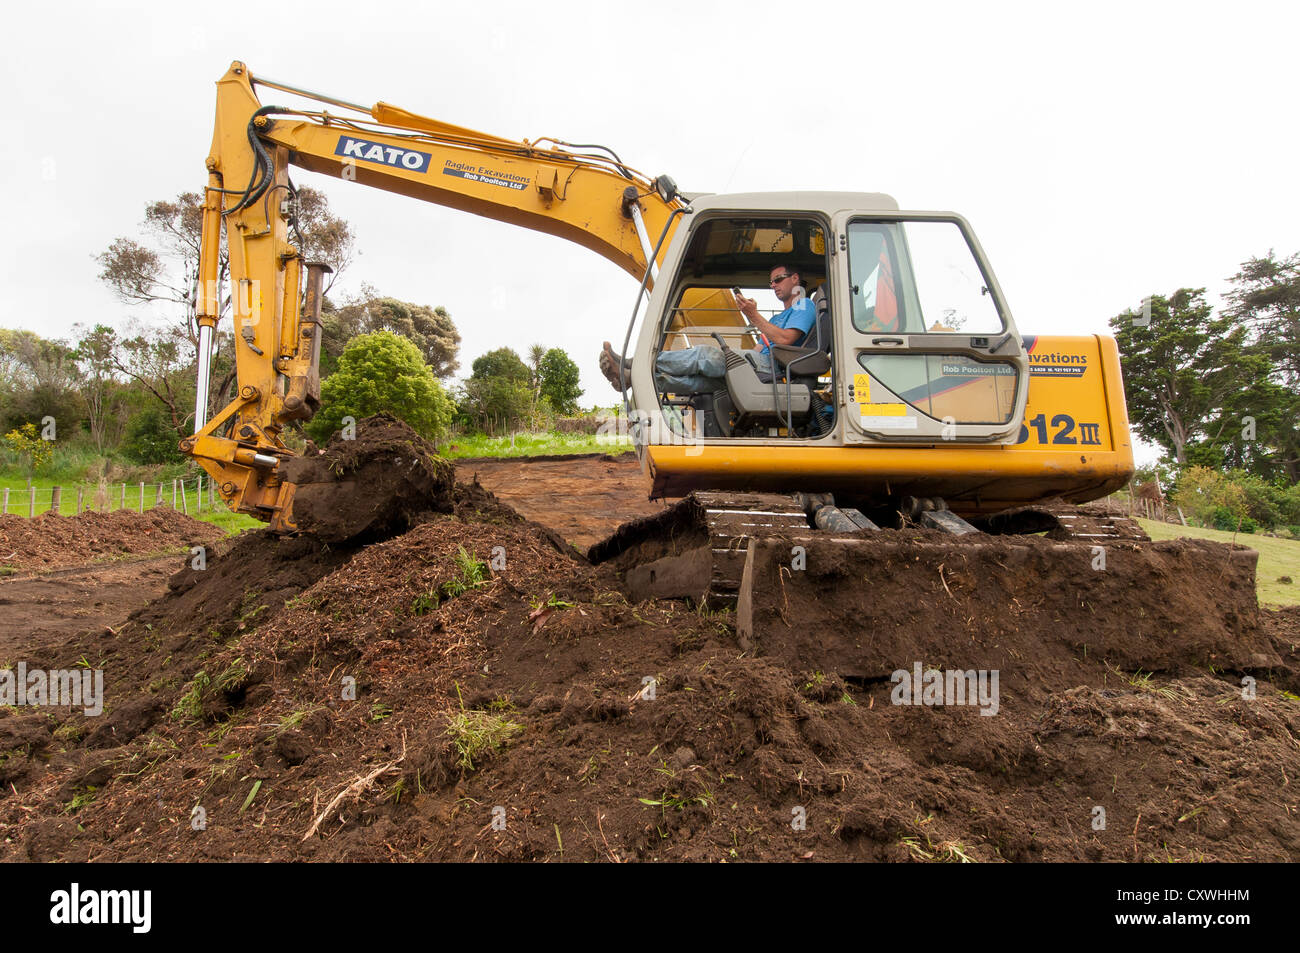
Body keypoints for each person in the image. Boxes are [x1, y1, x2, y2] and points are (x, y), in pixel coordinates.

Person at [599, 265, 817, 394]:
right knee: (697, 381)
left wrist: (753, 315)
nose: (774, 285)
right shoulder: (778, 317)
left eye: (778, 280)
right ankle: (632, 379)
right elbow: (760, 348)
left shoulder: (804, 305)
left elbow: (787, 340)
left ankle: (632, 364)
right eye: (771, 283)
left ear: (795, 279)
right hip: (758, 365)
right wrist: (733, 359)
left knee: (705, 354)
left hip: (776, 368)